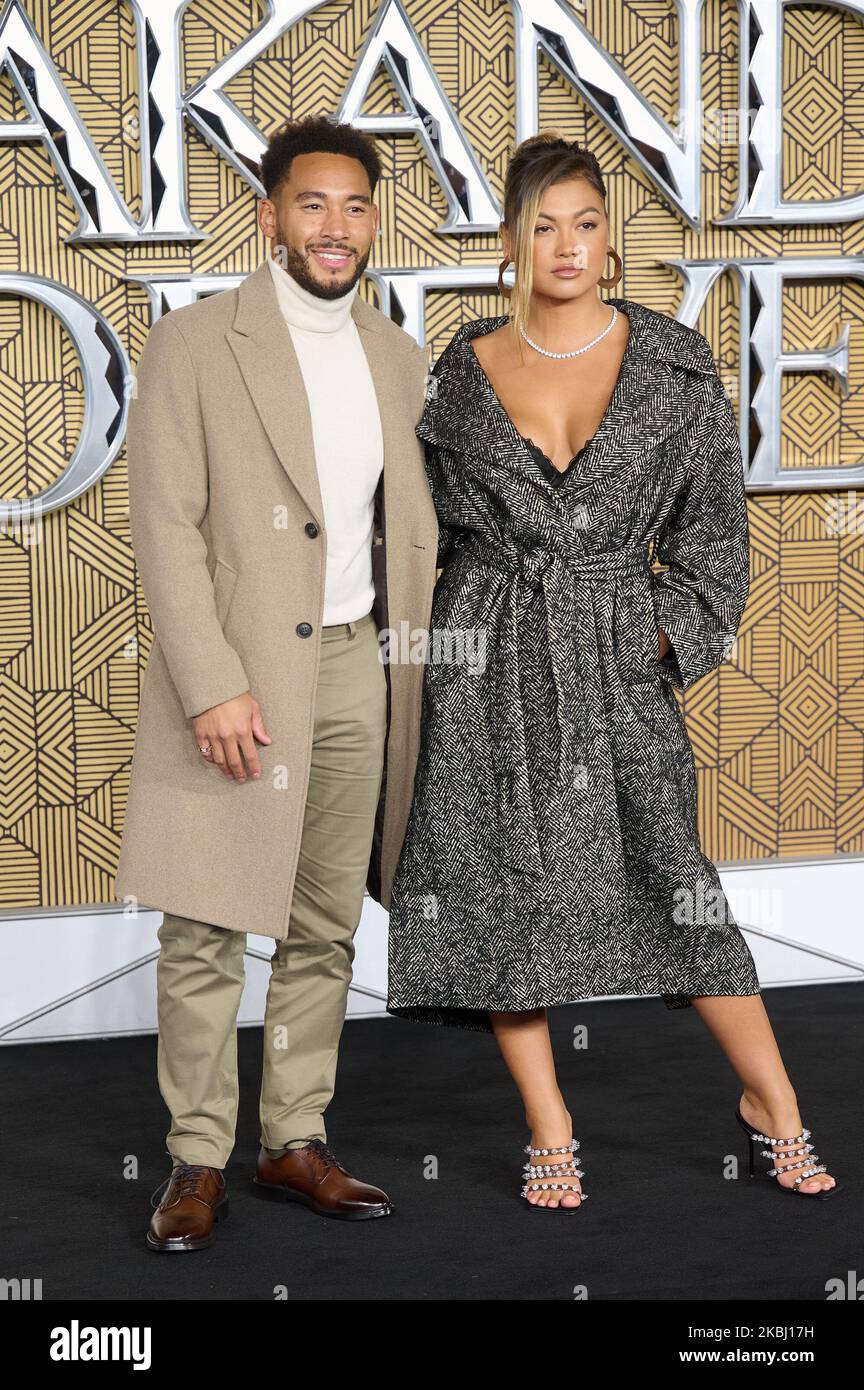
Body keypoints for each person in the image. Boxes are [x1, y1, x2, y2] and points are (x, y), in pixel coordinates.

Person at [385, 132, 840, 1210]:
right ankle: (550, 1122)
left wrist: (650, 640)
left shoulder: (677, 366)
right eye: (543, 224)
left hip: (616, 657)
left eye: (586, 222)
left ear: (610, 240)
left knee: (680, 888)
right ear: (509, 242)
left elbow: (718, 549)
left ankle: (772, 1100)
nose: (567, 244)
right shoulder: (458, 369)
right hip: (487, 658)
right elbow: (420, 533)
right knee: (502, 892)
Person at [113, 115, 438, 1250]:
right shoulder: (198, 342)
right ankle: (196, 1155)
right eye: (313, 205)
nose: (335, 228)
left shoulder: (399, 356)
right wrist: (211, 684)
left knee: (323, 924)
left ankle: (292, 1134)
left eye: (355, 207)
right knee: (205, 924)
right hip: (240, 674)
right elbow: (164, 523)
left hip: (358, 668)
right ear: (270, 216)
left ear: (373, 220)